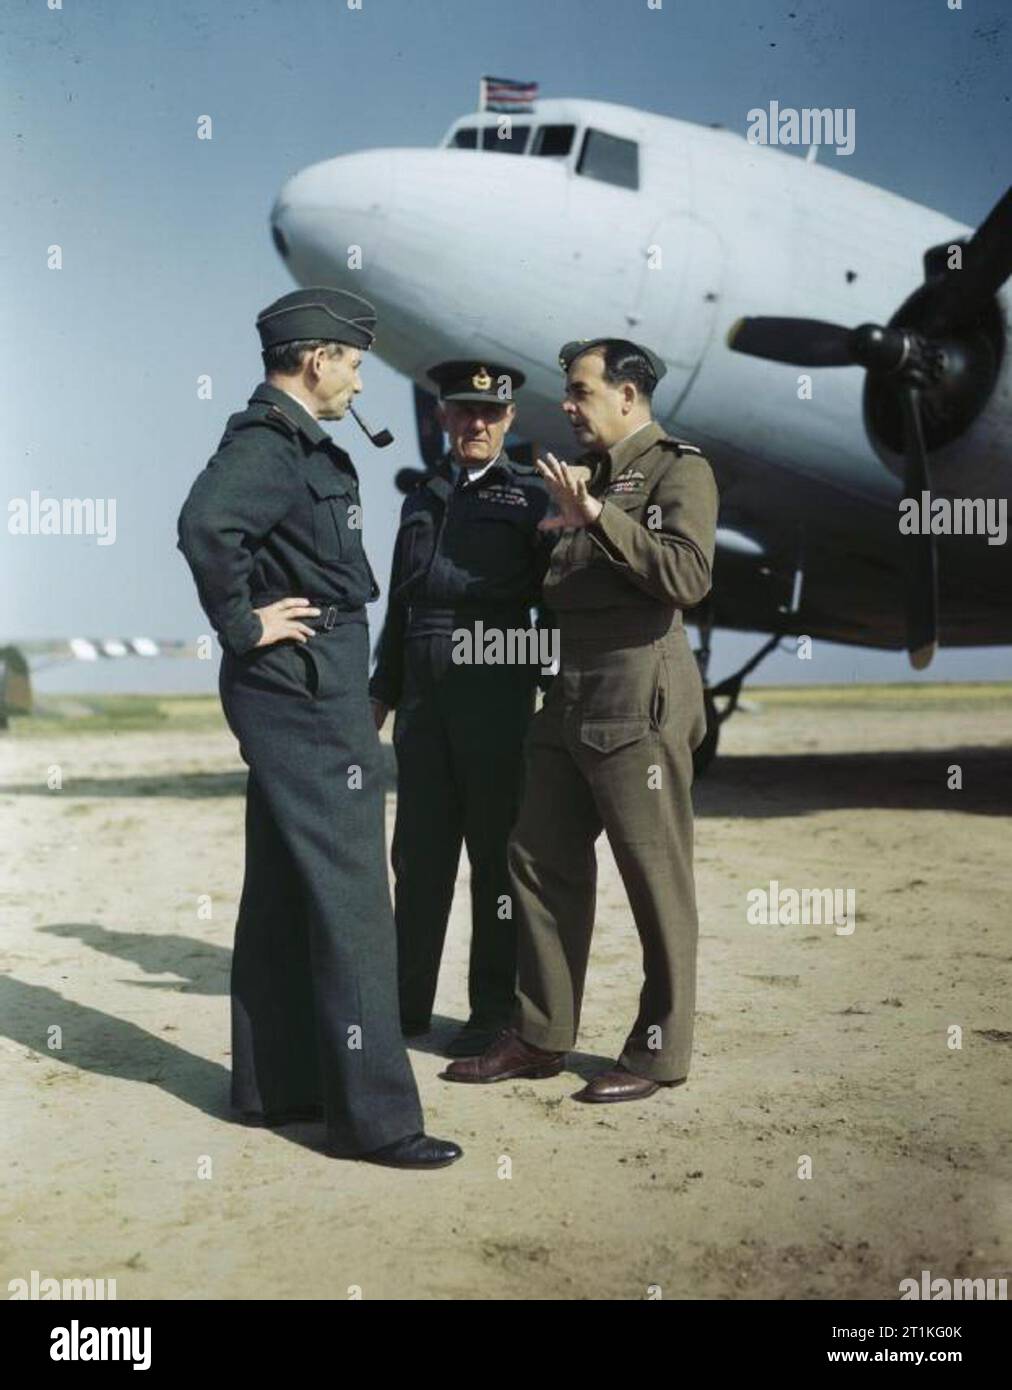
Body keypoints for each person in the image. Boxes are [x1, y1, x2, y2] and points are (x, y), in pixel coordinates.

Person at [177, 287, 461, 1167]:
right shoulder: (269, 445)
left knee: (284, 885)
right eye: (351, 362)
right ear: (315, 360)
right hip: (302, 686)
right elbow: (204, 527)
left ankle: (275, 1088)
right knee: (351, 897)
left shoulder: (288, 440)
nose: (356, 379)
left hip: (305, 682)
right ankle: (378, 1121)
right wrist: (241, 621)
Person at [443, 338, 718, 1102]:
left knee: (654, 876)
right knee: (535, 858)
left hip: (637, 692)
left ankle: (659, 1052)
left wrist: (596, 516)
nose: (566, 404)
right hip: (567, 693)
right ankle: (541, 1034)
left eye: (581, 390)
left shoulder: (678, 468)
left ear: (627, 396)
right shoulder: (583, 476)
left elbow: (687, 576)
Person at [370, 360, 553, 1057]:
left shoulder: (531, 498)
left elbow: (552, 606)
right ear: (443, 417)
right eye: (463, 412)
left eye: (490, 413)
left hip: (496, 686)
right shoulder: (422, 496)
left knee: (494, 855)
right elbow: (400, 601)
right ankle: (404, 1003)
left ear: (509, 420)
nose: (476, 424)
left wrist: (550, 682)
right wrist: (381, 692)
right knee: (418, 856)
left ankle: (491, 1011)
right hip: (422, 689)